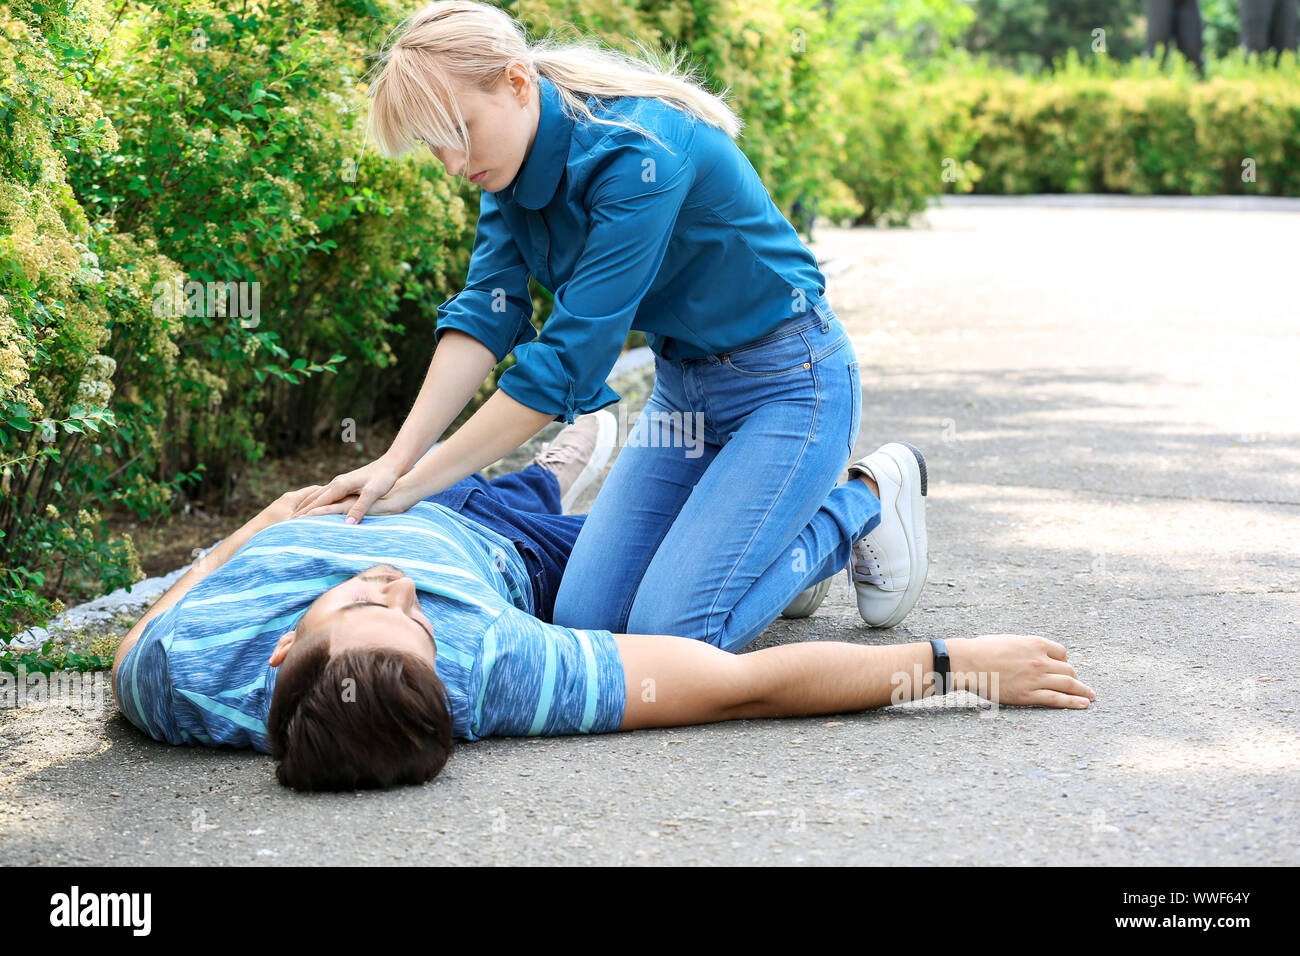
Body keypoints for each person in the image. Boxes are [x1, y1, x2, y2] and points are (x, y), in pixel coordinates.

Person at [288, 0, 916, 644]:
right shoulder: (505, 166)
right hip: (683, 393)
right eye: (433, 144)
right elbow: (487, 312)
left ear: (516, 82)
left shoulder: (640, 154)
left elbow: (567, 362)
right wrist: (394, 462)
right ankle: (772, 537)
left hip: (789, 383)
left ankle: (862, 501)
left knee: (673, 634)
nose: (451, 162)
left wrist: (418, 487)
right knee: (585, 621)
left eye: (460, 130)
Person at [112, 412, 1096, 793]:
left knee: (525, 499)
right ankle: (868, 492)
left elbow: (140, 634)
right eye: (409, 618)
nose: (392, 585)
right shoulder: (491, 667)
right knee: (701, 609)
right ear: (444, 675)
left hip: (380, 493)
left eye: (366, 601)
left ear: (284, 647)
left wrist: (271, 519)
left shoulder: (180, 675)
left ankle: (560, 459)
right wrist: (950, 666)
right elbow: (735, 688)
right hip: (502, 554)